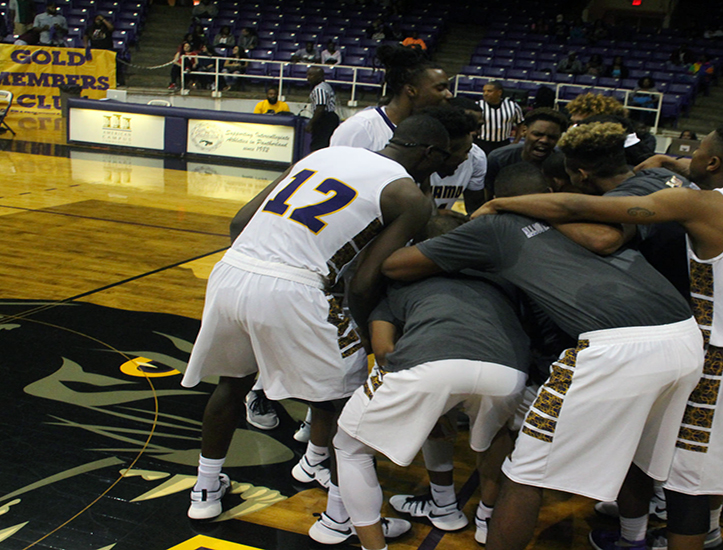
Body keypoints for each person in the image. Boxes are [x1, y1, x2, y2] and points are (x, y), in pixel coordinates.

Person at [470, 122, 723, 550]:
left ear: (714, 162)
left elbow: (583, 209)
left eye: (699, 149)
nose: (692, 158)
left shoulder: (703, 205)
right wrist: (667, 161)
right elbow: (693, 167)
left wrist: (502, 202)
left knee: (688, 483)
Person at [382, 164, 704, 550]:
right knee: (636, 452)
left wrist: (461, 251)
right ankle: (633, 540)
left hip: (617, 346)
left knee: (525, 475)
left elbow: (395, 266)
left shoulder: (492, 227)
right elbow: (604, 240)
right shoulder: (585, 216)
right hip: (685, 335)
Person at [181, 115, 449, 535]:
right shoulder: (409, 196)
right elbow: (363, 283)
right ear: (430, 153)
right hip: (299, 286)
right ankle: (341, 517)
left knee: (231, 382)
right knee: (346, 401)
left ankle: (205, 489)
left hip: (232, 271)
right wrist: (363, 335)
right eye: (445, 161)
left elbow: (238, 224)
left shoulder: (325, 154)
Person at [331, 213, 530, 550]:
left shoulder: (401, 280)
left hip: (432, 363)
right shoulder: (503, 279)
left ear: (417, 247)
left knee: (349, 447)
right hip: (508, 371)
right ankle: (475, 516)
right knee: (494, 436)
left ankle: (372, 547)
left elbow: (384, 350)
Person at [331, 44, 452, 150]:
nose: (449, 95)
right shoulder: (360, 127)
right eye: (440, 88)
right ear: (411, 90)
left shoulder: (431, 132)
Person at [484, 108, 569, 196]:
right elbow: (489, 195)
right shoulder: (499, 158)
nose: (544, 140)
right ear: (524, 131)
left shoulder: (564, 162)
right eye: (537, 134)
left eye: (552, 137)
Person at [425, 100, 488, 213]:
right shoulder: (414, 158)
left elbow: (474, 206)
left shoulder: (477, 156)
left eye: (478, 126)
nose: (473, 132)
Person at [476, 81, 524, 154]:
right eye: (484, 91)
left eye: (489, 91)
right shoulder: (478, 105)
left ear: (499, 92)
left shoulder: (513, 106)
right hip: (482, 143)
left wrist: (516, 141)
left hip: (503, 143)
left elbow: (520, 124)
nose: (485, 94)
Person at [306, 66, 339, 151]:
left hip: (324, 119)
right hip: (330, 117)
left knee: (318, 145)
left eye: (311, 75)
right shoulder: (326, 86)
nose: (308, 78)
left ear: (319, 76)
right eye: (308, 75)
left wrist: (311, 123)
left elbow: (320, 108)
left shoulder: (319, 89)